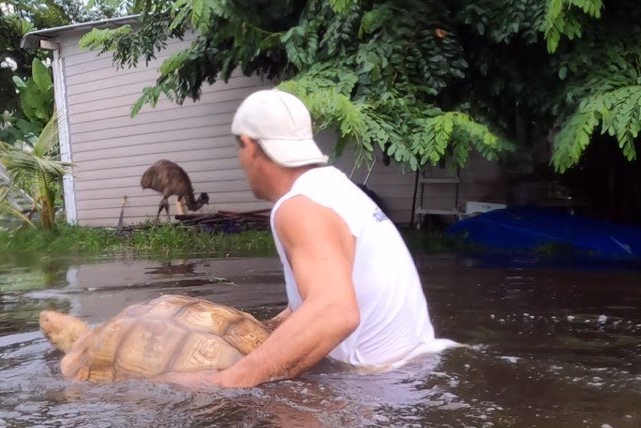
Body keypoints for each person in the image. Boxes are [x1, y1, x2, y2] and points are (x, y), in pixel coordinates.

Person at [162, 89, 452, 388]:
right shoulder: (334, 188)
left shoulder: (299, 206)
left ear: (248, 146)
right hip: (417, 372)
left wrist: (226, 380)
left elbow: (334, 311)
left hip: (376, 386)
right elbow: (314, 304)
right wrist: (256, 333)